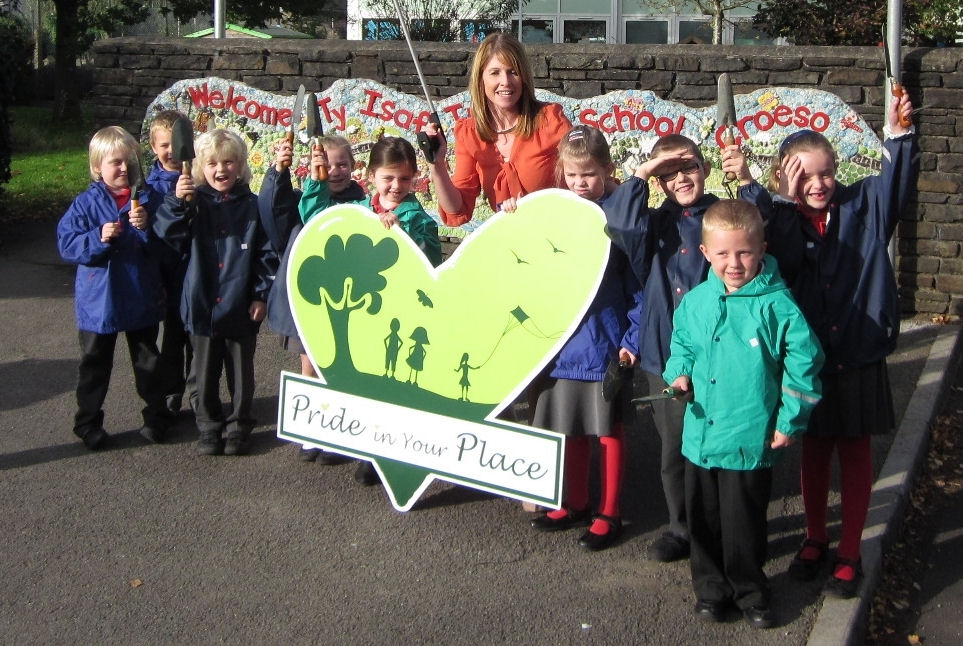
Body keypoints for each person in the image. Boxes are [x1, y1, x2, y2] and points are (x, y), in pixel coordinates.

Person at [766, 93, 917, 599]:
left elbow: (895, 183)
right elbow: (783, 263)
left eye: (826, 173)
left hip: (857, 352)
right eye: (803, 175)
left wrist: (899, 134)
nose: (818, 184)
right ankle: (815, 538)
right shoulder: (780, 220)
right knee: (813, 451)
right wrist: (783, 201)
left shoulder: (863, 206)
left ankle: (850, 550)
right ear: (784, 177)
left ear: (838, 171)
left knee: (854, 451)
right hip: (809, 360)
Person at [603, 133, 770, 562]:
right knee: (675, 447)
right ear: (658, 182)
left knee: (725, 443)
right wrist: (642, 172)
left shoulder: (721, 216)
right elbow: (619, 224)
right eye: (668, 173)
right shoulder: (652, 225)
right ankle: (682, 527)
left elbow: (761, 225)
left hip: (722, 354)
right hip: (664, 353)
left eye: (689, 167)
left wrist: (747, 180)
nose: (680, 178)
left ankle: (726, 528)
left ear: (706, 168)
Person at [662, 200, 823, 628]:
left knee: (743, 523)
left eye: (744, 253)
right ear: (705, 253)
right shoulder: (696, 301)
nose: (734, 264)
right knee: (703, 521)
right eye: (723, 254)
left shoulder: (778, 305)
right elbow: (681, 345)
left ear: (762, 249)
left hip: (748, 436)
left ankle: (750, 590)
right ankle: (711, 589)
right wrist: (679, 374)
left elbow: (804, 364)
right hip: (700, 433)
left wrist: (790, 420)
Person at [299, 134, 442, 483]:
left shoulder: (419, 219)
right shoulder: (358, 211)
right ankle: (365, 444)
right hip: (362, 314)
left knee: (393, 382)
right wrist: (316, 183)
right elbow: (316, 221)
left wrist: (402, 235)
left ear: (415, 178)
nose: (396, 186)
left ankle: (384, 454)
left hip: (398, 317)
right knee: (363, 381)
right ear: (371, 176)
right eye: (388, 178)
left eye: (404, 178)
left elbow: (430, 270)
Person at [528, 125, 643, 551]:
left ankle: (609, 512)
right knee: (568, 425)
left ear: (608, 170)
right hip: (562, 342)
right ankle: (574, 501)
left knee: (607, 429)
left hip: (604, 341)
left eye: (589, 174)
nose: (580, 183)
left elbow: (638, 286)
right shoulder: (557, 210)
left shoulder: (620, 217)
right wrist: (513, 214)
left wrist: (632, 337)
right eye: (573, 175)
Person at [155, 129, 276, 456]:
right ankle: (208, 425)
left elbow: (266, 253)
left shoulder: (252, 206)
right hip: (202, 301)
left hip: (240, 302)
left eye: (228, 162)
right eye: (212, 164)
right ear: (200, 168)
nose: (221, 170)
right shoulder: (192, 203)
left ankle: (239, 425)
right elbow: (168, 236)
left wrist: (260, 294)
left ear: (241, 165)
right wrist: (177, 203)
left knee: (241, 372)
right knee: (204, 372)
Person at [56, 126, 175, 449]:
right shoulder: (85, 204)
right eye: (115, 163)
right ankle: (88, 423)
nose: (124, 168)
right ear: (98, 167)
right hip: (100, 301)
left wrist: (148, 228)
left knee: (148, 362)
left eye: (129, 162)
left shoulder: (150, 200)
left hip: (140, 294)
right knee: (94, 365)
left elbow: (168, 248)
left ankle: (157, 417)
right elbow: (67, 245)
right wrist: (98, 237)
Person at [259, 134, 365, 463]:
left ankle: (336, 433)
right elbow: (274, 209)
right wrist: (279, 171)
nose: (335, 171)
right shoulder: (303, 201)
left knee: (342, 368)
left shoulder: (361, 203)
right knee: (310, 366)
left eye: (342, 164)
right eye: (327, 164)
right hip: (310, 300)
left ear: (354, 166)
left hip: (345, 302)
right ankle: (310, 431)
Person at [424, 32, 571, 225]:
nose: (506, 81)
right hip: (510, 237)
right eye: (495, 73)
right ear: (481, 79)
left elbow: (586, 173)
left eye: (513, 72)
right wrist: (437, 165)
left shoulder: (551, 120)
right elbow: (458, 210)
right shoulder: (470, 133)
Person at [145, 109, 195, 415]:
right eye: (164, 145)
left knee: (197, 342)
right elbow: (154, 234)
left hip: (194, 274)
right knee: (171, 340)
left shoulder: (200, 178)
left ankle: (198, 396)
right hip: (166, 275)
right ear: (154, 147)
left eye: (176, 144)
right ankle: (171, 393)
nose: (172, 152)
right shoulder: (150, 188)